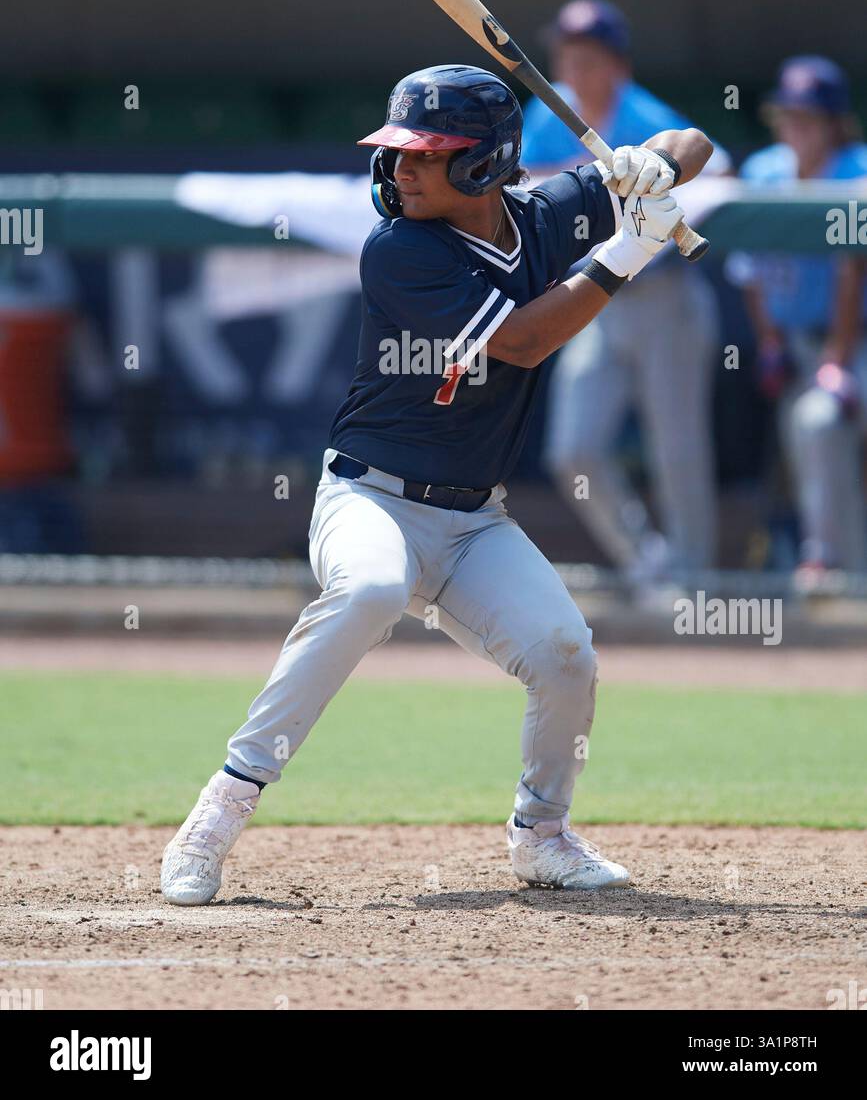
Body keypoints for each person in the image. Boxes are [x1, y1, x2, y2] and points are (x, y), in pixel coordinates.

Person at [160, 64, 712, 905]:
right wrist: (626, 250)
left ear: (484, 164)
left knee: (566, 656)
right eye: (397, 154)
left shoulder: (544, 216)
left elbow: (694, 141)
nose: (400, 170)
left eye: (426, 155)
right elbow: (524, 342)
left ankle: (543, 838)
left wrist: (651, 165)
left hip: (472, 521)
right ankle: (220, 810)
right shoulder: (400, 250)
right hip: (369, 498)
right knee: (371, 590)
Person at [524, 0, 728, 580]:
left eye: (588, 57)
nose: (575, 69)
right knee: (573, 449)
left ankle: (693, 582)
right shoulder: (548, 114)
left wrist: (660, 172)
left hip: (666, 295)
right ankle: (648, 566)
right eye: (567, 56)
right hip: (593, 300)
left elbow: (717, 166)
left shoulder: (642, 114)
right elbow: (519, 182)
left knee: (677, 450)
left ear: (617, 64)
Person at [728, 55, 867, 576]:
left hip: (854, 343)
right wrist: (768, 343)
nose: (796, 128)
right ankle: (836, 571)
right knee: (814, 445)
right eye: (788, 116)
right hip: (794, 344)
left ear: (834, 122)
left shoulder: (858, 171)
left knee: (821, 427)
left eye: (808, 118)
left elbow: (852, 270)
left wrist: (838, 359)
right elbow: (752, 272)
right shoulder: (765, 172)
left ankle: (831, 565)